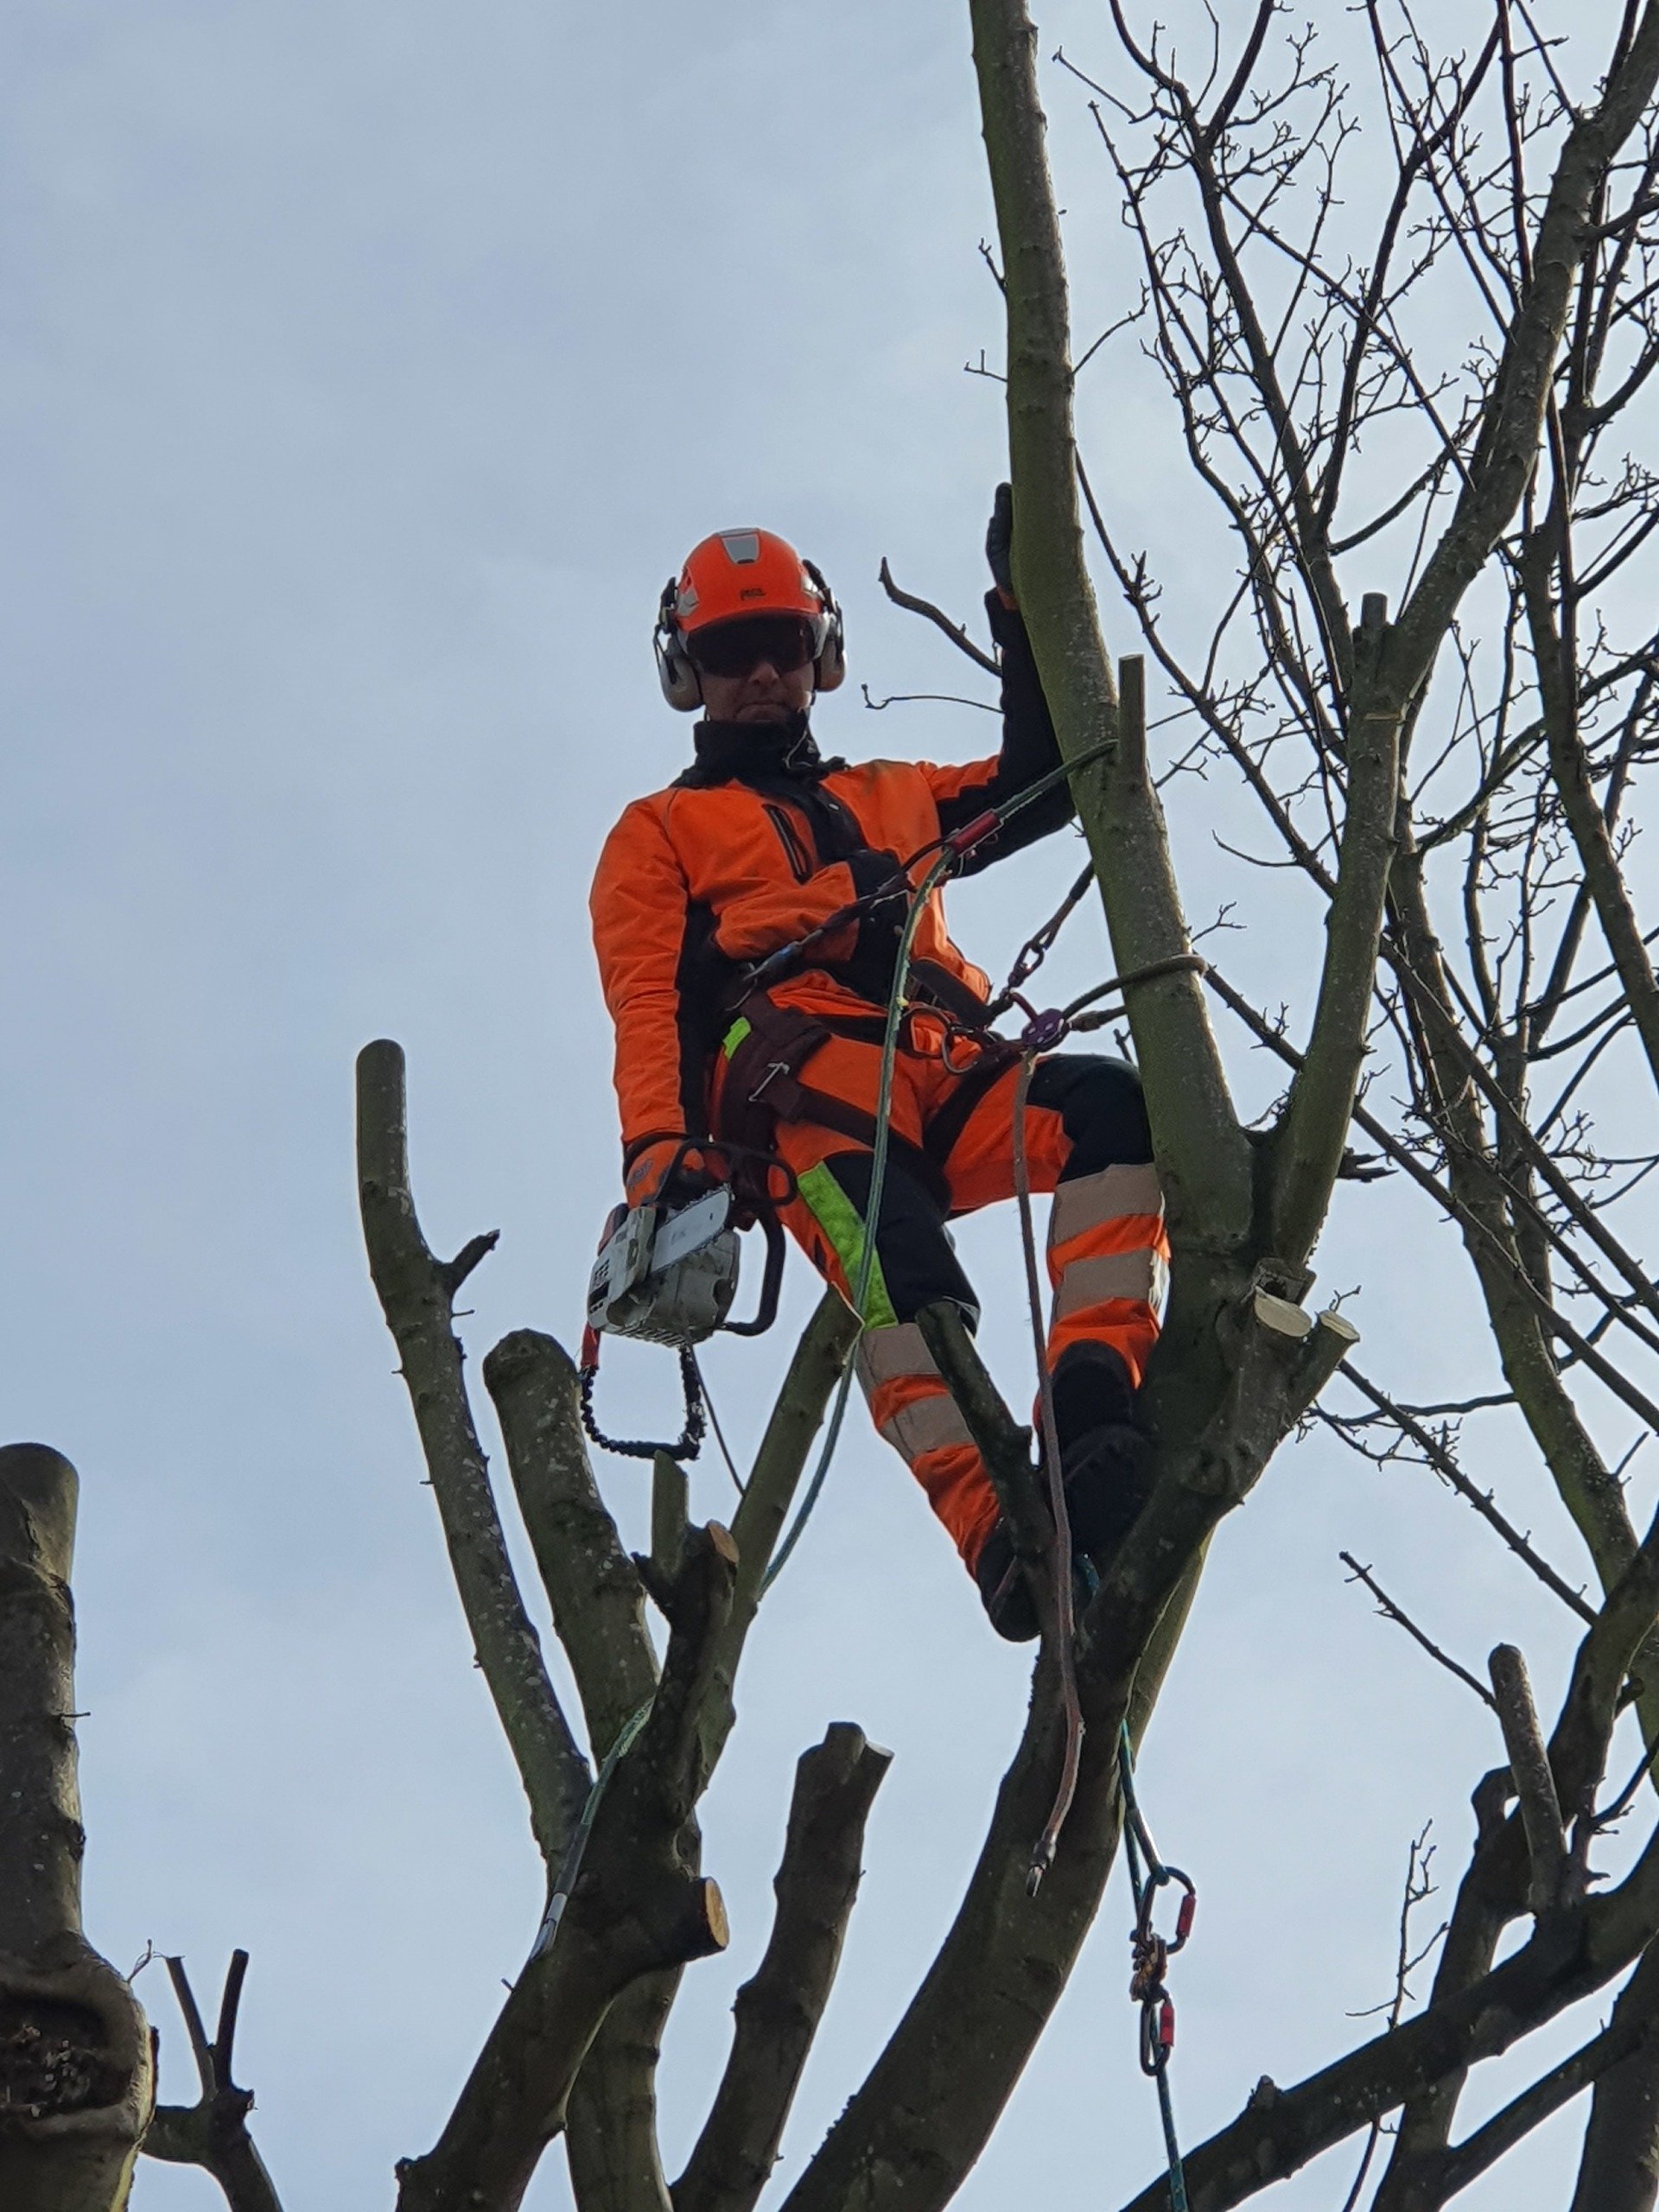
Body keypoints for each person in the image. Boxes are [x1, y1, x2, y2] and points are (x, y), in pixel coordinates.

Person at [588, 496, 1166, 1637]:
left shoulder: (897, 796)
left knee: (1116, 1112)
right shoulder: (658, 833)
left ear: (822, 655)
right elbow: (645, 1000)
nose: (759, 676)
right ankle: (999, 1531)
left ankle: (1094, 1397)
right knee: (904, 1281)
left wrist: (1024, 611)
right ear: (687, 672)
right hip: (807, 1100)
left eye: (781, 649)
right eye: (728, 655)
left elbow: (1044, 781)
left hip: (952, 1071)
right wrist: (659, 1153)